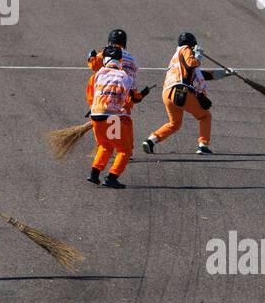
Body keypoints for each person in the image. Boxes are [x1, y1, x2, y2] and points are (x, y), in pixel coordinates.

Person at [141, 32, 235, 156]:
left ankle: (151, 140)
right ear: (192, 44)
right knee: (205, 116)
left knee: (174, 124)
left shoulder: (176, 58)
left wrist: (225, 73)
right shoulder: (185, 49)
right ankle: (203, 146)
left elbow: (202, 74)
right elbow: (192, 64)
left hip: (167, 93)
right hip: (180, 91)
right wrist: (198, 56)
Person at [87, 46, 148, 188]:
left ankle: (94, 174)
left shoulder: (96, 75)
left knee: (105, 145)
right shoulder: (125, 77)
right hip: (113, 117)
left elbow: (91, 96)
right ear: (120, 60)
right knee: (124, 150)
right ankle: (112, 177)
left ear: (104, 60)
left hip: (96, 115)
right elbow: (131, 99)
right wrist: (142, 94)